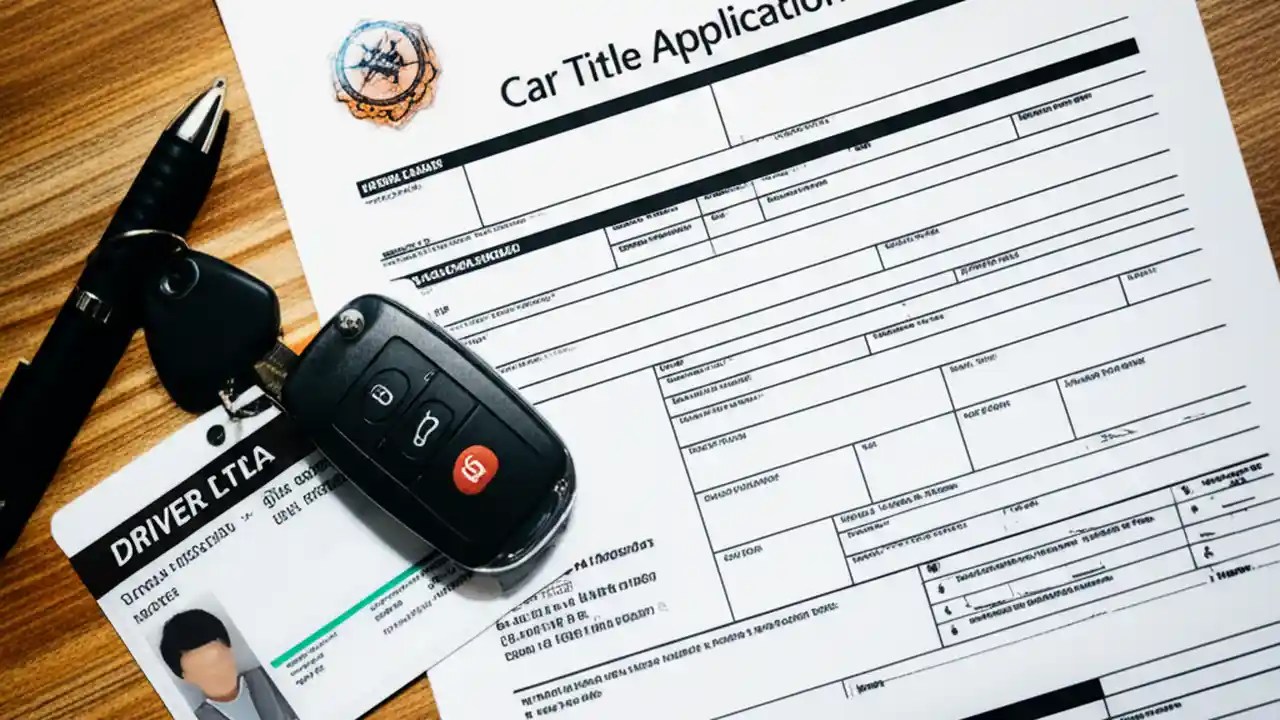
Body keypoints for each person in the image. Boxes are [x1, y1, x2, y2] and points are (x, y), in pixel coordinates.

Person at [159, 608, 298, 720]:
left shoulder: (274, 676)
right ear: (184, 676)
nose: (218, 673)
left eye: (219, 660)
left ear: (230, 649)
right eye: (203, 670)